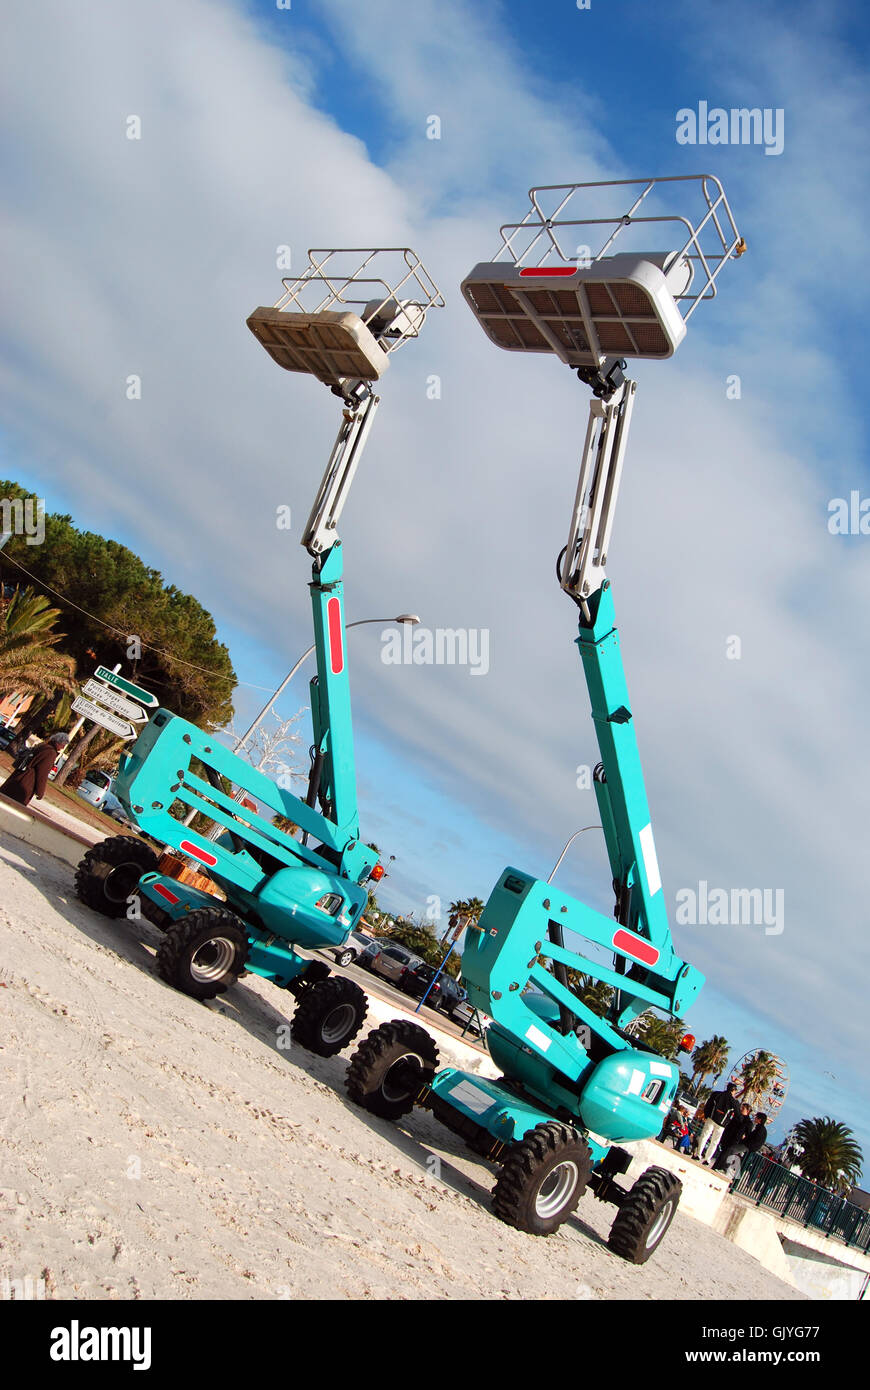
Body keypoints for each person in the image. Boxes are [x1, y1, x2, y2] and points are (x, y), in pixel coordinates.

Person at [0, 732, 70, 807]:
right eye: (63, 745)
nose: (62, 747)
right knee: (13, 807)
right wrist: (40, 791)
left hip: (17, 776)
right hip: (26, 783)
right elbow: (42, 773)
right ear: (58, 743)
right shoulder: (50, 753)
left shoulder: (42, 746)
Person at [697, 1081, 739, 1164]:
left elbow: (708, 1105)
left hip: (711, 1118)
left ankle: (698, 1154)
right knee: (715, 1142)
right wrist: (728, 1122)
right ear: (733, 1090)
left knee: (704, 1136)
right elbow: (737, 1114)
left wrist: (706, 1115)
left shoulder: (716, 1094)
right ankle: (707, 1159)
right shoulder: (734, 1102)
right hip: (722, 1124)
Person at [712, 1101, 753, 1172]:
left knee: (727, 1154)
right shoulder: (737, 1116)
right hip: (728, 1136)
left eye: (743, 1108)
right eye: (741, 1108)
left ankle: (722, 1168)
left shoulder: (748, 1122)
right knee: (723, 1152)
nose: (741, 1109)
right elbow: (729, 1125)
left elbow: (748, 1134)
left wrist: (742, 1139)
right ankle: (716, 1167)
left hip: (735, 1140)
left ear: (748, 1111)